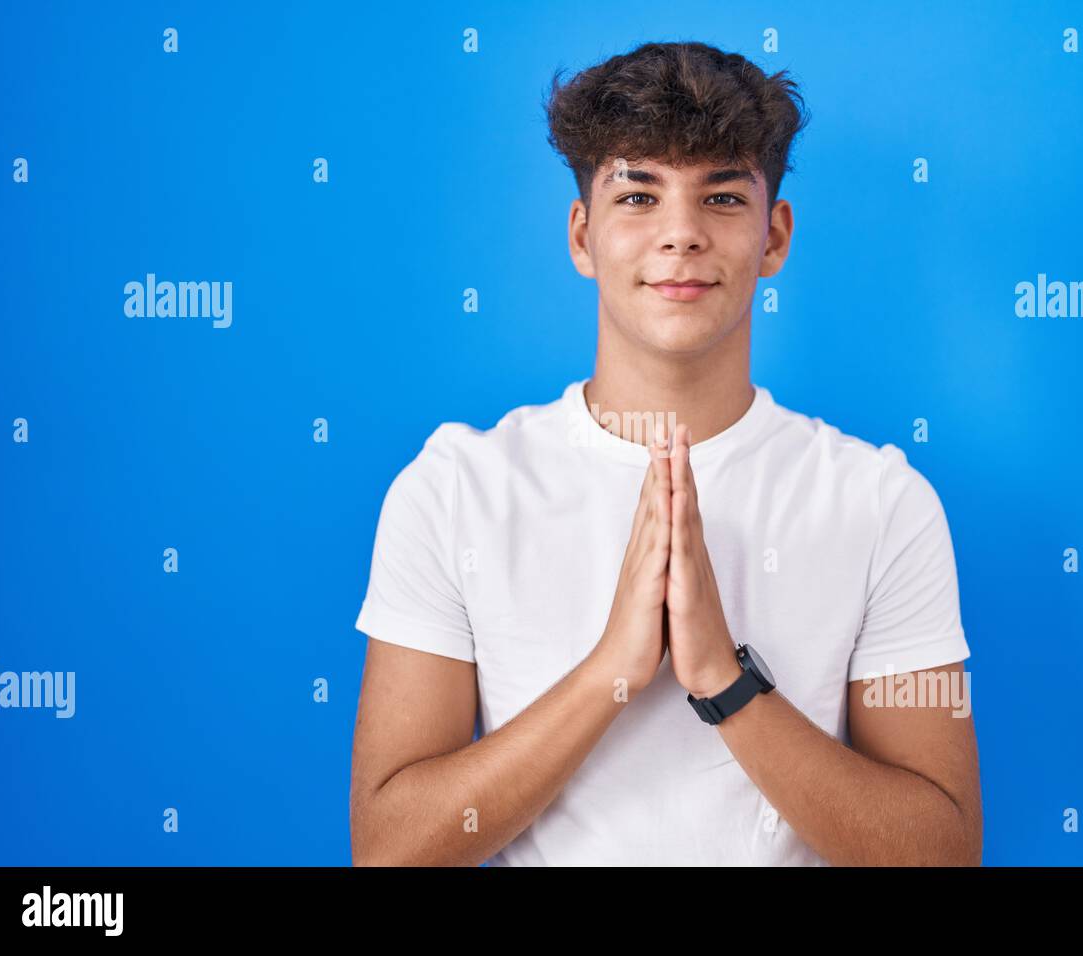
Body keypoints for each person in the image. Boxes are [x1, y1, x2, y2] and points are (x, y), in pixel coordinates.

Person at [349, 40, 981, 866]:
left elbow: (942, 854)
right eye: (638, 195)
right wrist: (612, 667)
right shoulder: (453, 492)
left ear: (774, 235)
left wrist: (724, 679)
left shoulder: (883, 503)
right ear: (583, 235)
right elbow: (388, 850)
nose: (680, 234)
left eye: (720, 197)